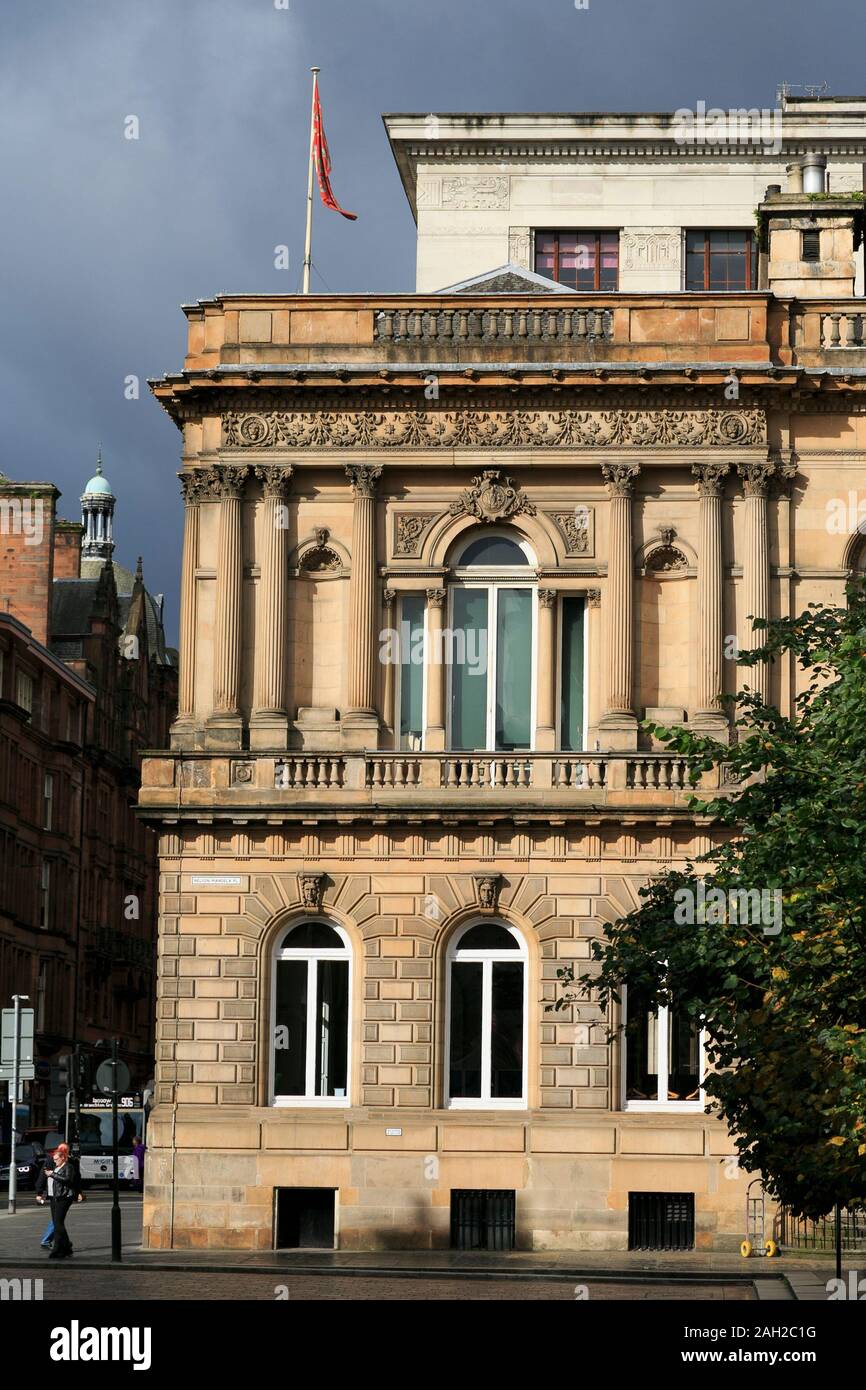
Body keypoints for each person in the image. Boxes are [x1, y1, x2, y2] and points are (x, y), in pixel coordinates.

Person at [36, 1143, 84, 1259]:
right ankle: (65, 1247)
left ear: (64, 1155)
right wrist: (39, 1192)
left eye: (64, 1150)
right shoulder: (51, 1162)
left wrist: (78, 1193)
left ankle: (59, 1248)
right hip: (54, 1197)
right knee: (57, 1223)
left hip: (63, 1197)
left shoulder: (70, 1164)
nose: (55, 1160)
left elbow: (72, 1179)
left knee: (58, 1223)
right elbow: (42, 1177)